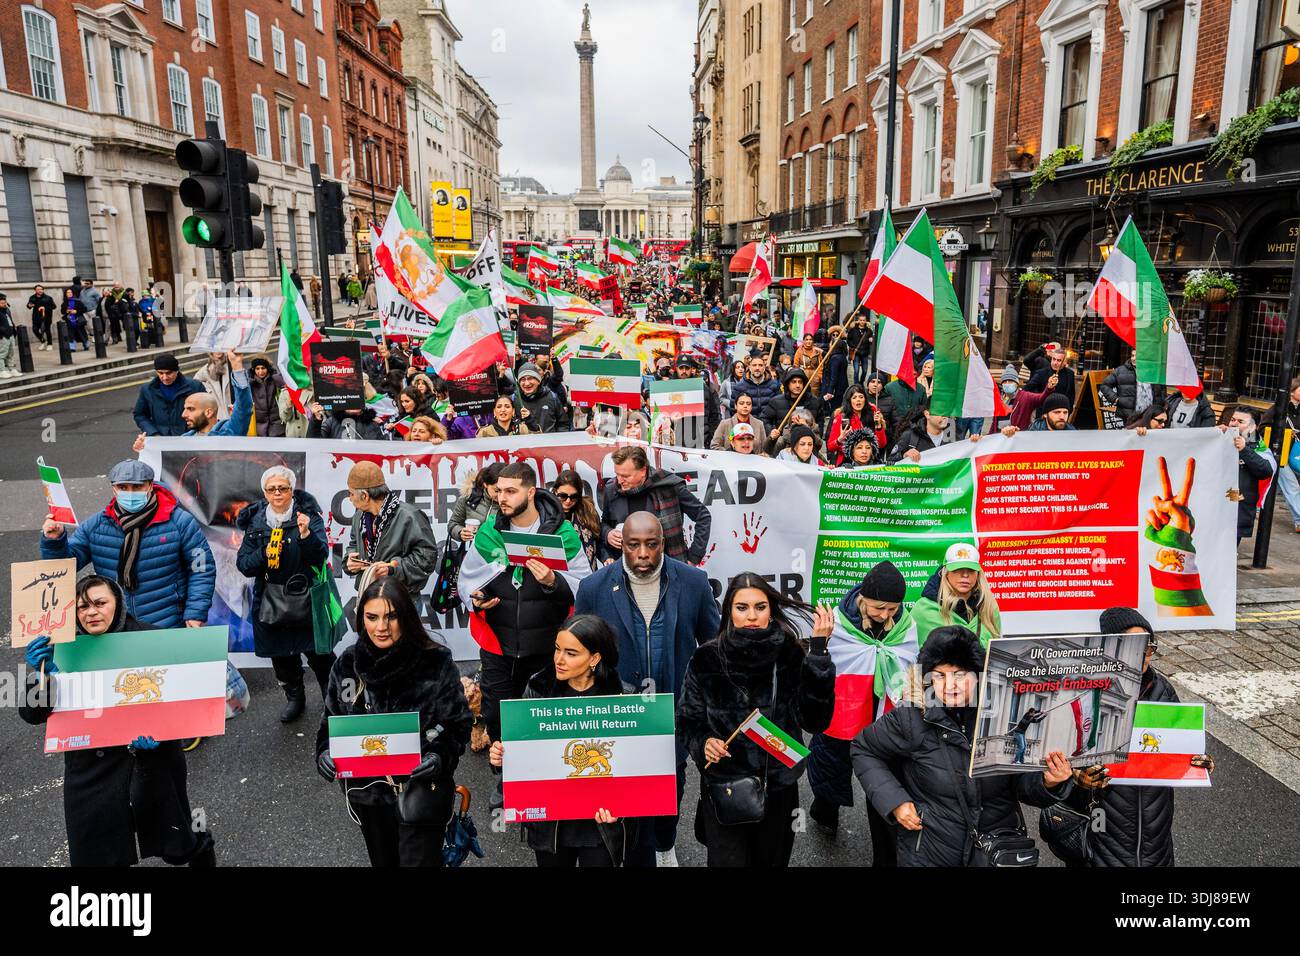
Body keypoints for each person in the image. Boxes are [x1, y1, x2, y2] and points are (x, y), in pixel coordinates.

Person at [20, 575, 217, 867]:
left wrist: (162, 736)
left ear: (118, 604)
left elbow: (184, 701)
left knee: (177, 840)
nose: (91, 613)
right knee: (99, 854)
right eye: (83, 607)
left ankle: (202, 854)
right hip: (92, 769)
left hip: (151, 760)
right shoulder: (59, 650)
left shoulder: (151, 639)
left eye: (100, 603)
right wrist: (40, 675)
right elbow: (31, 715)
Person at [850, 626, 1074, 867]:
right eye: (939, 675)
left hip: (995, 849)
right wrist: (894, 801)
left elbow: (1020, 785)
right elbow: (864, 749)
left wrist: (1048, 782)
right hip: (931, 851)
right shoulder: (911, 716)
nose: (949, 685)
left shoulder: (1003, 716)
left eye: (959, 674)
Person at [574, 512, 721, 866]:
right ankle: (630, 848)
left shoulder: (694, 582)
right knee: (623, 782)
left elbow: (713, 647)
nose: (642, 553)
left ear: (663, 545)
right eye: (633, 544)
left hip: (674, 711)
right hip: (618, 712)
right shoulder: (593, 587)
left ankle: (664, 842)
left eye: (651, 545)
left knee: (671, 781)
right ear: (621, 544)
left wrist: (711, 703)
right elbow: (575, 649)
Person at [676, 573, 836, 867]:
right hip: (724, 786)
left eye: (760, 607)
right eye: (742, 607)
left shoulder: (789, 653)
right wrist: (704, 743)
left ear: (770, 610)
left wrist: (819, 655)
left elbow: (815, 721)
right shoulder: (706, 658)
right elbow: (687, 720)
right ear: (729, 612)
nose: (751, 616)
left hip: (777, 789)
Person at [459, 463, 591, 807]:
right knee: (499, 715)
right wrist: (476, 599)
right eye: (499, 490)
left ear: (530, 492)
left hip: (547, 646)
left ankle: (543, 778)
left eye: (511, 491)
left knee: (541, 716)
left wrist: (552, 581)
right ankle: (506, 781)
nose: (502, 498)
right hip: (498, 644)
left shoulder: (562, 534)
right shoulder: (489, 532)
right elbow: (467, 580)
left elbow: (583, 586)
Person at [316, 577, 471, 867]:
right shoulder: (347, 664)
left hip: (422, 793)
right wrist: (324, 752)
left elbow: (458, 723)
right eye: (372, 617)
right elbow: (330, 723)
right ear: (361, 618)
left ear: (406, 616)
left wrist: (440, 757)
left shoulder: (435, 661)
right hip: (368, 797)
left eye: (391, 616)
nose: (381, 627)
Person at [1055, 607, 1215, 867]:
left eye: (1148, 647)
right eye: (1133, 645)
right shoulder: (1083, 693)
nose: (1143, 655)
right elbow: (1060, 770)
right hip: (1103, 845)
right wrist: (1078, 780)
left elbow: (1177, 752)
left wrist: (1197, 762)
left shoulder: (1163, 691)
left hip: (1156, 846)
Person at [489, 615, 639, 867]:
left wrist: (622, 810)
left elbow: (638, 769)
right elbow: (522, 757)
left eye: (571, 653)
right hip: (552, 825)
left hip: (600, 825)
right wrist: (502, 757)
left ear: (595, 658)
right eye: (557, 649)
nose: (559, 659)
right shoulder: (537, 690)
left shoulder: (624, 697)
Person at [806, 561, 911, 860]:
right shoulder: (837, 623)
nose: (885, 616)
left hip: (883, 715)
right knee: (831, 768)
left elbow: (909, 661)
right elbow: (821, 669)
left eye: (892, 609)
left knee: (883, 780)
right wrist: (818, 643)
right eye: (879, 608)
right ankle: (825, 808)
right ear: (863, 599)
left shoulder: (906, 624)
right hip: (843, 712)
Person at [40, 459, 215, 628]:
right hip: (115, 626)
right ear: (113, 489)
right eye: (123, 487)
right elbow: (63, 568)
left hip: (166, 623)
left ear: (149, 486)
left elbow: (200, 569)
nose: (130, 493)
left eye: (137, 487)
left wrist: (195, 611)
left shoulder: (180, 522)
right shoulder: (96, 526)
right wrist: (55, 541)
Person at [235, 466, 333, 723]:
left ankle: (332, 701)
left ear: (291, 490)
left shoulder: (308, 516)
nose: (277, 493)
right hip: (271, 602)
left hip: (306, 598)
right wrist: (263, 554)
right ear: (265, 492)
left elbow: (320, 554)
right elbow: (244, 564)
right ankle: (295, 699)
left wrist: (306, 535)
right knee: (282, 659)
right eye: (272, 489)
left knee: (320, 656)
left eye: (283, 488)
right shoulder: (256, 523)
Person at [598, 445, 712, 565]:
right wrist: (607, 534)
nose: (619, 481)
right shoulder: (611, 489)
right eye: (617, 474)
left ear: (643, 471)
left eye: (626, 476)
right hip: (626, 568)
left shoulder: (669, 485)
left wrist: (694, 556)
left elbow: (703, 516)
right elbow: (604, 523)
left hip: (670, 566)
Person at [344, 461, 440, 597]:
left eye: (351, 494)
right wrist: (350, 561)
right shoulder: (359, 517)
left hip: (401, 598)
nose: (349, 498)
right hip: (369, 595)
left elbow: (427, 558)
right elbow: (354, 545)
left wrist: (392, 569)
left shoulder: (409, 516)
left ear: (365, 496)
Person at [910, 542, 1002, 647]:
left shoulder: (989, 607)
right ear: (945, 572)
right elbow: (916, 658)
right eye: (958, 569)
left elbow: (995, 652)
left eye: (971, 570)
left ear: (978, 574)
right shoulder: (924, 609)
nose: (965, 575)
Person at [1220, 406, 1276, 543]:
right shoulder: (1222, 438)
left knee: (1229, 543)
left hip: (1237, 499)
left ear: (1253, 427)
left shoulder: (1259, 447)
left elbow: (1265, 470)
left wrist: (1244, 449)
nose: (1234, 424)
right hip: (1214, 499)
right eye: (1232, 420)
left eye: (1241, 422)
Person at [178, 352, 253, 437]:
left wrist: (237, 367)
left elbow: (243, 407)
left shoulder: (228, 432)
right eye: (185, 409)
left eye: (190, 409)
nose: (183, 414)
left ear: (209, 412)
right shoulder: (185, 438)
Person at [132, 354, 206, 437]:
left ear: (177, 371)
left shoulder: (195, 387)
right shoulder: (147, 389)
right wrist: (153, 433)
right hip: (160, 439)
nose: (165, 377)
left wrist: (195, 432)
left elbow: (205, 412)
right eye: (160, 373)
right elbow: (140, 415)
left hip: (189, 437)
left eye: (169, 373)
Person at [1265, 377, 1300, 533]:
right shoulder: (1278, 409)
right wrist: (1282, 435)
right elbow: (1263, 428)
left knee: (1275, 485)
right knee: (1292, 486)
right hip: (1280, 455)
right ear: (1292, 392)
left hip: (1297, 455)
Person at [552, 470, 602, 571]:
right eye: (563, 496)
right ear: (555, 491)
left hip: (589, 575)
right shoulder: (547, 512)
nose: (568, 501)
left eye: (574, 497)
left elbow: (599, 541)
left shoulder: (588, 511)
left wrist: (606, 557)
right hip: (559, 577)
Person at [1100, 350, 1165, 422]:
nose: (1134, 358)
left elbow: (1161, 389)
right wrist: (1116, 399)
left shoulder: (1153, 371)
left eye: (1137, 356)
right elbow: (1105, 385)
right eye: (1132, 355)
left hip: (1151, 415)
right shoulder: (1120, 371)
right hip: (1129, 414)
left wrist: (1162, 403)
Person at [448, 462, 504, 545]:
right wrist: (460, 532)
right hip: (473, 552)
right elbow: (453, 524)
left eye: (507, 490)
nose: (501, 495)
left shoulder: (514, 503)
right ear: (485, 484)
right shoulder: (469, 497)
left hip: (501, 554)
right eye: (497, 490)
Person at [828, 385, 886, 465]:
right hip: (847, 463)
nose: (858, 400)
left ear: (865, 399)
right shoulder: (841, 418)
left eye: (861, 397)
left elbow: (881, 445)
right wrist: (840, 439)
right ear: (849, 401)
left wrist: (879, 426)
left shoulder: (874, 414)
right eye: (854, 397)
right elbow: (830, 447)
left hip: (870, 463)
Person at [761, 367, 824, 438]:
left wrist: (816, 438)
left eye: (800, 382)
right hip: (783, 444)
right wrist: (772, 432)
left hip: (808, 444)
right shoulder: (776, 401)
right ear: (788, 384)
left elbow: (820, 423)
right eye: (794, 382)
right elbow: (764, 419)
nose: (797, 385)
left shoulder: (814, 401)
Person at [888, 396, 951, 463]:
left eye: (946, 411)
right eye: (940, 411)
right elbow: (890, 462)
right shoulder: (910, 435)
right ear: (927, 414)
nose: (944, 416)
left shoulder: (955, 436)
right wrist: (903, 455)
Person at [516, 363, 568, 432]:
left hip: (549, 441)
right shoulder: (514, 398)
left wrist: (559, 440)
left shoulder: (552, 396)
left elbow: (562, 423)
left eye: (530, 378)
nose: (527, 383)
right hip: (524, 442)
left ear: (538, 381)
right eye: (523, 379)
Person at [731, 354, 782, 423]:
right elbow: (733, 409)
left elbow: (779, 408)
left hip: (769, 427)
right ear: (749, 367)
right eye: (754, 365)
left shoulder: (774, 385)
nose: (757, 368)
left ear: (764, 367)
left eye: (760, 365)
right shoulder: (739, 387)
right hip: (747, 426)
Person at [247, 357, 287, 437]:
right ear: (253, 370)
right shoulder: (250, 383)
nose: (260, 371)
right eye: (257, 368)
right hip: (258, 427)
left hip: (276, 425)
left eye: (263, 368)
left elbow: (286, 389)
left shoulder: (275, 379)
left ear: (268, 369)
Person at [193, 352, 234, 422]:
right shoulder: (206, 369)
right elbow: (195, 383)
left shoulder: (231, 366)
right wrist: (208, 390)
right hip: (218, 414)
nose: (218, 351)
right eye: (215, 349)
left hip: (232, 410)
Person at [846, 313, 873, 384]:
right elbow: (848, 340)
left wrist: (871, 340)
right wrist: (853, 346)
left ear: (866, 321)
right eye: (861, 320)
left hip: (865, 353)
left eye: (864, 320)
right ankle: (856, 384)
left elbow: (871, 342)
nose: (862, 322)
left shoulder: (869, 331)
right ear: (858, 321)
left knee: (864, 371)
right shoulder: (853, 330)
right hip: (856, 353)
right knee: (856, 371)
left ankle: (861, 382)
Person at [27, 283, 56, 350]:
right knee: (35, 330)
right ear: (35, 290)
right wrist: (29, 305)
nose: (40, 290)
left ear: (43, 290)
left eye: (41, 289)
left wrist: (44, 307)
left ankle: (50, 344)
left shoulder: (48, 298)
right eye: (38, 289)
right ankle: (43, 341)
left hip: (46, 317)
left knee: (47, 330)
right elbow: (29, 305)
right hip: (36, 317)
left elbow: (53, 306)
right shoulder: (32, 297)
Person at [0, 293, 17, 378]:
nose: (4, 304)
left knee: (11, 353)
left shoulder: (7, 310)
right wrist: (3, 332)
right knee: (2, 353)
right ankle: (2, 370)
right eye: (2, 303)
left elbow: (10, 321)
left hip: (11, 334)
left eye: (5, 302)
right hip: (3, 336)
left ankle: (11, 369)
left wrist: (14, 331)